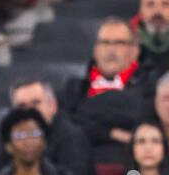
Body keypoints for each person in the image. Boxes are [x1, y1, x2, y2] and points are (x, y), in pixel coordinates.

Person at [62, 17, 147, 167]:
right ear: (95, 51)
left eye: (119, 43)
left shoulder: (148, 84)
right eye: (104, 42)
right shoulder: (74, 88)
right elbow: (67, 128)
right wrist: (112, 133)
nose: (111, 49)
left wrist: (85, 110)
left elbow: (137, 111)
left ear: (135, 51)